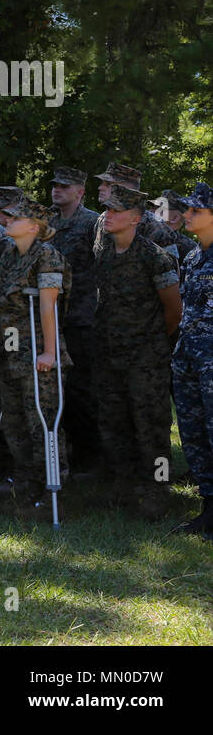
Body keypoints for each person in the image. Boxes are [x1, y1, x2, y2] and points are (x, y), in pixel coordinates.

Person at [93, 186, 181, 520]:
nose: (108, 216)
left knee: (152, 427)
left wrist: (150, 343)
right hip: (109, 354)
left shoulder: (153, 256)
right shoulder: (103, 252)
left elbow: (173, 310)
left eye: (116, 211)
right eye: (107, 211)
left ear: (136, 218)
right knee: (114, 423)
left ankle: (158, 488)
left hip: (145, 358)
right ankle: (123, 485)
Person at [0, 196, 70, 519]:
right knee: (14, 422)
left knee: (43, 423)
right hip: (9, 350)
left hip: (37, 351)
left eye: (15, 218)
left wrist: (50, 352)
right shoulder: (8, 254)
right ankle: (24, 485)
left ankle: (51, 491)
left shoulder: (47, 256)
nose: (7, 221)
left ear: (34, 227)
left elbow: (49, 307)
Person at [48, 165, 101, 474]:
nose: (57, 190)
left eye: (64, 186)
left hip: (82, 318)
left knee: (83, 390)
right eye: (55, 185)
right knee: (58, 390)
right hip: (53, 319)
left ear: (80, 192)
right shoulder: (49, 224)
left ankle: (91, 456)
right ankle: (67, 453)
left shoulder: (93, 223)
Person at [170, 183, 213, 539]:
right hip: (188, 359)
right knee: (194, 434)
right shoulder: (192, 257)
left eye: (196, 211)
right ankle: (208, 508)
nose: (186, 215)